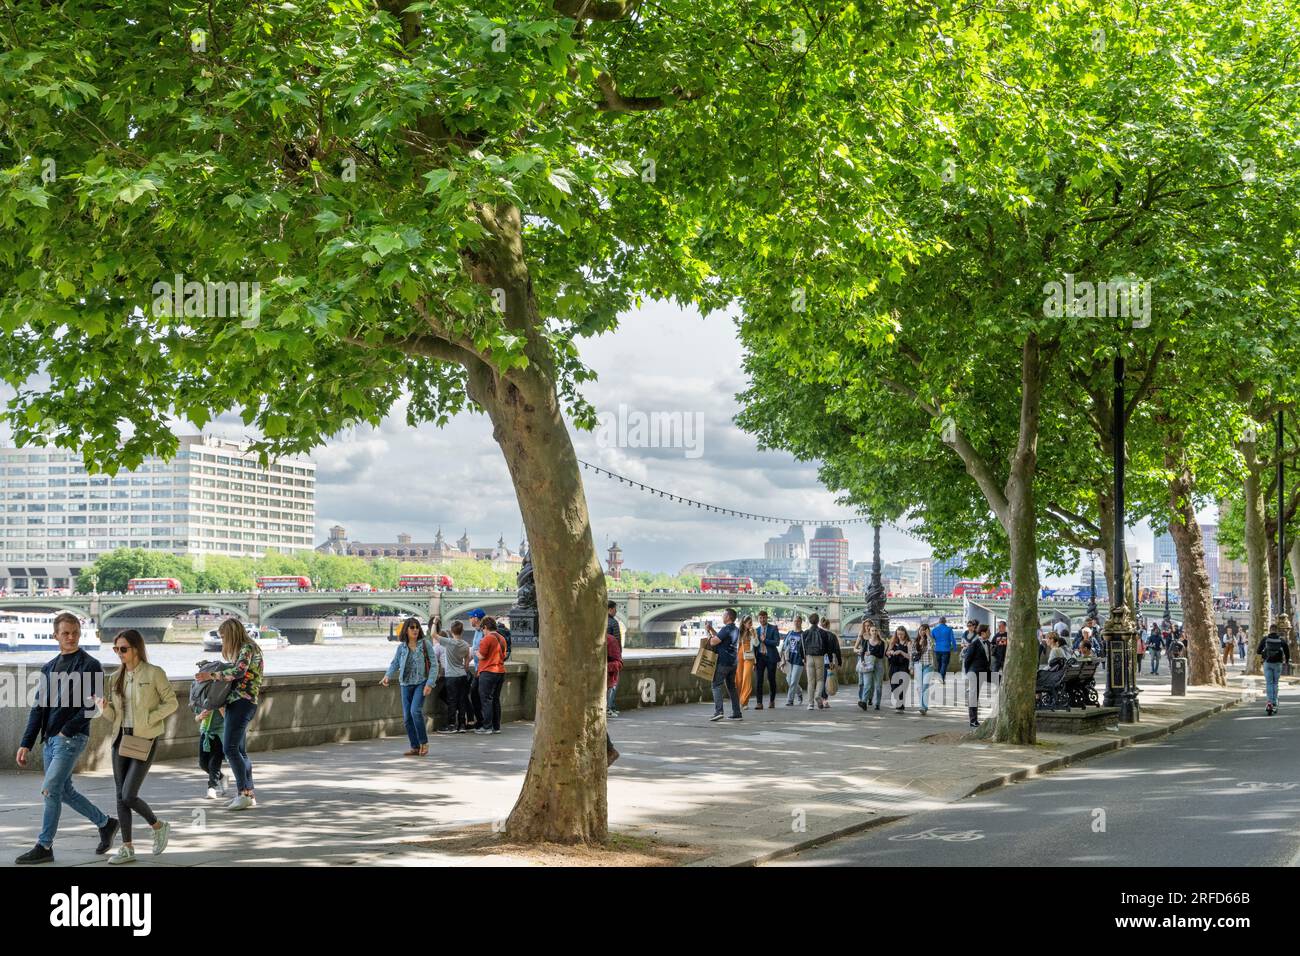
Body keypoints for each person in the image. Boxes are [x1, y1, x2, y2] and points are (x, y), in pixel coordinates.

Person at [14, 611, 117, 865]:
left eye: (75, 633)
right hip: (50, 740)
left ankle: (44, 845)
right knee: (65, 791)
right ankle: (106, 823)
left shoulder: (90, 665)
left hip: (70, 739)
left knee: (50, 790)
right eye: (66, 633)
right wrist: (26, 742)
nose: (71, 638)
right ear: (55, 636)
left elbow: (92, 706)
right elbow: (39, 707)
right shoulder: (49, 667)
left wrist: (67, 730)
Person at [96, 629, 177, 864]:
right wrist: (104, 707)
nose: (119, 653)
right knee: (120, 797)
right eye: (116, 649)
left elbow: (171, 702)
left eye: (123, 649)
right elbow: (114, 716)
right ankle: (127, 848)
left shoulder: (154, 674)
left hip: (145, 738)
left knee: (129, 795)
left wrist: (151, 717)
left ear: (136, 649)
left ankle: (158, 826)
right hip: (121, 739)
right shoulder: (115, 677)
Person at [195, 618, 263, 811]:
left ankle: (243, 793)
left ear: (232, 634)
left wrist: (212, 676)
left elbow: (239, 672)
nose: (223, 641)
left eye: (224, 637)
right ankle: (249, 793)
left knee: (230, 749)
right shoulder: (250, 648)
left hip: (240, 702)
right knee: (240, 751)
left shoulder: (246, 648)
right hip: (246, 702)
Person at [381, 617, 439, 755]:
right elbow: (395, 663)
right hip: (405, 684)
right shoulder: (401, 647)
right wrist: (387, 675)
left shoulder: (425, 644)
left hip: (421, 682)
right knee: (407, 718)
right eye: (412, 627)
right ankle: (415, 746)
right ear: (406, 630)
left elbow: (434, 665)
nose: (415, 630)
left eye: (417, 627)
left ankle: (424, 743)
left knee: (415, 712)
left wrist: (430, 683)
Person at [434, 621, 472, 733]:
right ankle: (462, 725)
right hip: (462, 675)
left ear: (451, 631)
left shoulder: (448, 642)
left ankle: (451, 725)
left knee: (452, 700)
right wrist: (462, 670)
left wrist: (435, 623)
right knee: (461, 701)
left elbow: (433, 635)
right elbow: (466, 663)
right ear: (462, 631)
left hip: (451, 676)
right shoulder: (466, 645)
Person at [706, 610, 743, 721]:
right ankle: (737, 713)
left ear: (728, 617)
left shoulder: (726, 628)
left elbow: (713, 642)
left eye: (724, 614)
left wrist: (708, 633)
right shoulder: (735, 629)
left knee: (716, 685)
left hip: (723, 662)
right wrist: (712, 630)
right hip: (733, 662)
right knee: (731, 687)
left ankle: (719, 711)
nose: (722, 616)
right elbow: (722, 638)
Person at [475, 616, 509, 734]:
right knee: (495, 699)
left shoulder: (487, 639)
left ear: (485, 627)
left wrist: (475, 652)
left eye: (482, 629)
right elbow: (504, 656)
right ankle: (496, 726)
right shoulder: (502, 638)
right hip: (500, 671)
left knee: (486, 700)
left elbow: (482, 656)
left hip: (488, 672)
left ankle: (487, 726)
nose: (482, 632)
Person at [962, 625, 991, 728]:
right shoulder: (974, 644)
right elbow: (967, 659)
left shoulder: (988, 643)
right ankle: (973, 720)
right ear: (982, 633)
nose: (990, 633)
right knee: (974, 696)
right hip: (975, 672)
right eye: (988, 631)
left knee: (1002, 680)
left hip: (985, 671)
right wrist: (968, 673)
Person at [752, 611, 782, 710]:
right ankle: (759, 703)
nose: (762, 620)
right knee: (759, 680)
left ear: (767, 618)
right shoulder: (756, 630)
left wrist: (765, 640)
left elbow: (777, 642)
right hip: (760, 657)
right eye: (760, 618)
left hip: (771, 657)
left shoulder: (773, 628)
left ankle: (772, 701)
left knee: (771, 679)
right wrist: (753, 661)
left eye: (764, 618)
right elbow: (754, 646)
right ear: (758, 618)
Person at [1257, 627, 1290, 715]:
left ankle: (1269, 702)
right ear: (1277, 631)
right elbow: (1287, 652)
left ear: (1270, 630)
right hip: (1278, 664)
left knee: (1269, 683)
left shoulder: (1265, 639)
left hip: (1267, 663)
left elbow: (1258, 651)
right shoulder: (1281, 640)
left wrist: (1265, 653)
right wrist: (1286, 661)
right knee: (1275, 683)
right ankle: (1274, 702)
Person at [197, 705, 226, 798]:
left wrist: (220, 707)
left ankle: (212, 788)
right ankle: (221, 777)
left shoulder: (224, 694)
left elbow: (228, 717)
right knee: (203, 764)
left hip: (219, 734)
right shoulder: (203, 695)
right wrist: (200, 716)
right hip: (205, 733)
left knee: (214, 763)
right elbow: (196, 717)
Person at [802, 613, 828, 710]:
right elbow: (827, 647)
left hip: (809, 657)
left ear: (809, 621)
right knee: (820, 679)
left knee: (810, 681)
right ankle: (817, 695)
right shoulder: (823, 633)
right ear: (818, 621)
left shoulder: (805, 633)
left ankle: (810, 704)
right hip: (819, 657)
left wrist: (803, 657)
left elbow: (801, 646)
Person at [466, 609, 487, 729]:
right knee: (475, 694)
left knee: (477, 694)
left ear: (476, 618)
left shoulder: (484, 632)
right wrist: (467, 662)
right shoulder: (476, 631)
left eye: (471, 617)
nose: (469, 620)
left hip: (483, 669)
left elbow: (481, 651)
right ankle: (480, 721)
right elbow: (474, 649)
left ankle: (483, 722)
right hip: (478, 668)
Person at [781, 614, 806, 706]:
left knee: (794, 680)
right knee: (789, 680)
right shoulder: (790, 633)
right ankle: (799, 692)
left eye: (798, 621)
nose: (796, 623)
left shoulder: (803, 634)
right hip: (789, 660)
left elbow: (805, 649)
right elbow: (784, 646)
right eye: (795, 621)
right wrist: (783, 658)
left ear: (801, 622)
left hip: (799, 660)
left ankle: (790, 700)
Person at [886, 626, 912, 712]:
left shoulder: (908, 643)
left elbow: (910, 656)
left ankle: (900, 704)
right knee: (893, 686)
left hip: (903, 667)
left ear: (905, 634)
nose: (900, 636)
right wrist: (890, 652)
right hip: (893, 666)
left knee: (902, 685)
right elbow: (887, 653)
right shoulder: (893, 642)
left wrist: (901, 652)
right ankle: (899, 701)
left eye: (901, 634)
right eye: (898, 634)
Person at [914, 623, 936, 715]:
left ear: (927, 631)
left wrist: (928, 635)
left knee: (925, 686)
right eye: (920, 630)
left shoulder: (930, 640)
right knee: (920, 687)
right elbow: (913, 655)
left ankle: (923, 707)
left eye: (924, 630)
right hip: (918, 666)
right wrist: (911, 666)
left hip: (928, 666)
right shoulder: (915, 641)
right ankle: (921, 705)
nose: (921, 631)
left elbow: (932, 646)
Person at [606, 601, 623, 718]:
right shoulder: (613, 623)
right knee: (613, 683)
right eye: (615, 609)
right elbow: (617, 641)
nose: (616, 611)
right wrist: (620, 656)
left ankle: (609, 707)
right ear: (610, 609)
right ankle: (609, 707)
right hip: (612, 657)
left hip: (602, 657)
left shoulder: (599, 621)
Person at [931, 616, 955, 682]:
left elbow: (931, 639)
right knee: (944, 664)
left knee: (939, 664)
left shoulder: (934, 629)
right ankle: (942, 677)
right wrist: (955, 649)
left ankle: (940, 676)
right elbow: (953, 640)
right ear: (945, 621)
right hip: (946, 649)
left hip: (937, 649)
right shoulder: (949, 629)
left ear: (939, 622)